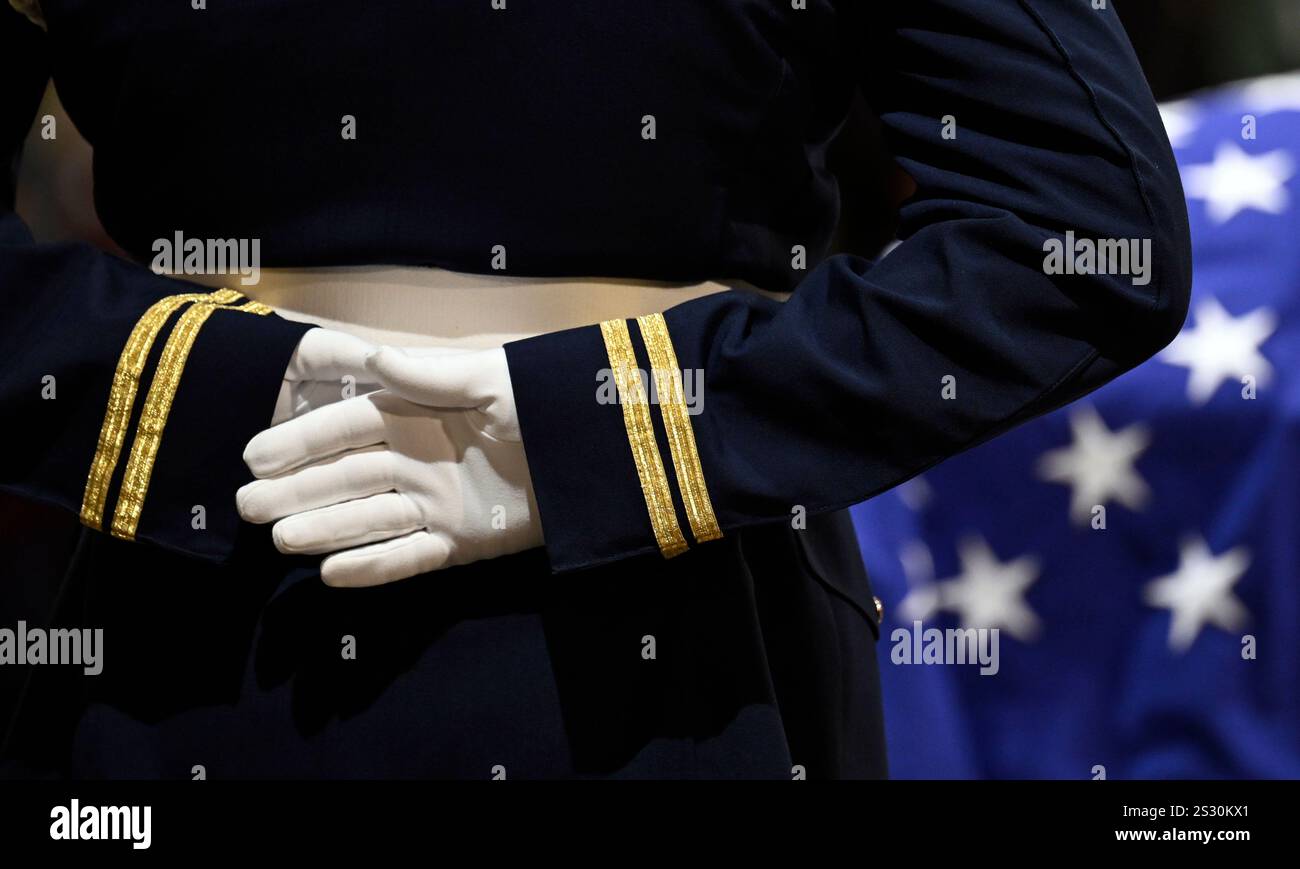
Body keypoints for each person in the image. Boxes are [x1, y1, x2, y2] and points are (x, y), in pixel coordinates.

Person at [0, 0, 1191, 779]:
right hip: (209, 588)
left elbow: (1078, 231)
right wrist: (201, 391)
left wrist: (614, 429)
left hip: (677, 624)